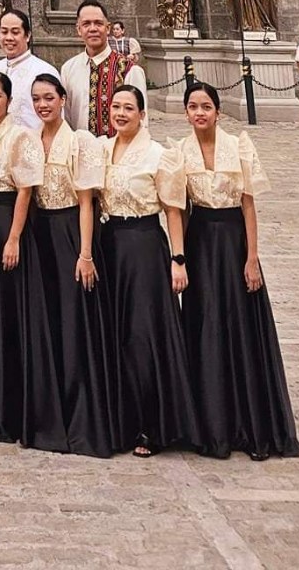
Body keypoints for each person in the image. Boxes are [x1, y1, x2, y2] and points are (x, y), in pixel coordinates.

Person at [177, 82, 299, 460]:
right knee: (205, 328)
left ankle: (251, 427)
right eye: (193, 107)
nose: (200, 113)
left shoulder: (240, 146)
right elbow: (180, 209)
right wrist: (177, 256)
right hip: (200, 242)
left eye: (206, 107)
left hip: (233, 244)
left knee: (240, 329)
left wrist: (252, 258)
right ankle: (212, 427)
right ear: (186, 113)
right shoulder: (179, 152)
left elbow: (248, 206)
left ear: (217, 111)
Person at [97, 85, 198, 457]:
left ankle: (151, 426)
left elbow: (173, 210)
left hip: (144, 247)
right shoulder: (102, 148)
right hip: (111, 246)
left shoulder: (158, 155)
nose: (121, 113)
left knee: (143, 337)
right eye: (115, 107)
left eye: (128, 108)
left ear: (142, 114)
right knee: (115, 334)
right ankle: (121, 421)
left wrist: (178, 258)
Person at [0, 71, 60, 446]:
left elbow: (25, 191)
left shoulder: (20, 135)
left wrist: (14, 237)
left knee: (9, 315)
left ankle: (14, 411)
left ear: (8, 100)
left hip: (7, 224)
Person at [30, 72, 114, 458]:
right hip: (39, 235)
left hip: (70, 233)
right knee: (46, 322)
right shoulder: (31, 141)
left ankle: (82, 417)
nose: (43, 105)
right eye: (37, 99)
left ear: (63, 99)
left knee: (73, 321)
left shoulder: (80, 142)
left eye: (49, 97)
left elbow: (86, 203)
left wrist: (85, 254)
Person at [61, 0, 147, 138]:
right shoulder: (68, 69)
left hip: (117, 155)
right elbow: (66, 117)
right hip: (80, 153)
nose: (93, 28)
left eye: (98, 23)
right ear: (79, 29)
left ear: (107, 28)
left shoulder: (129, 70)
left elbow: (142, 123)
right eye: (86, 24)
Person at [0, 8, 59, 131]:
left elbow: (55, 120)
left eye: (15, 32)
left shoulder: (44, 71)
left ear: (28, 35)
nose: (9, 37)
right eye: (4, 32)